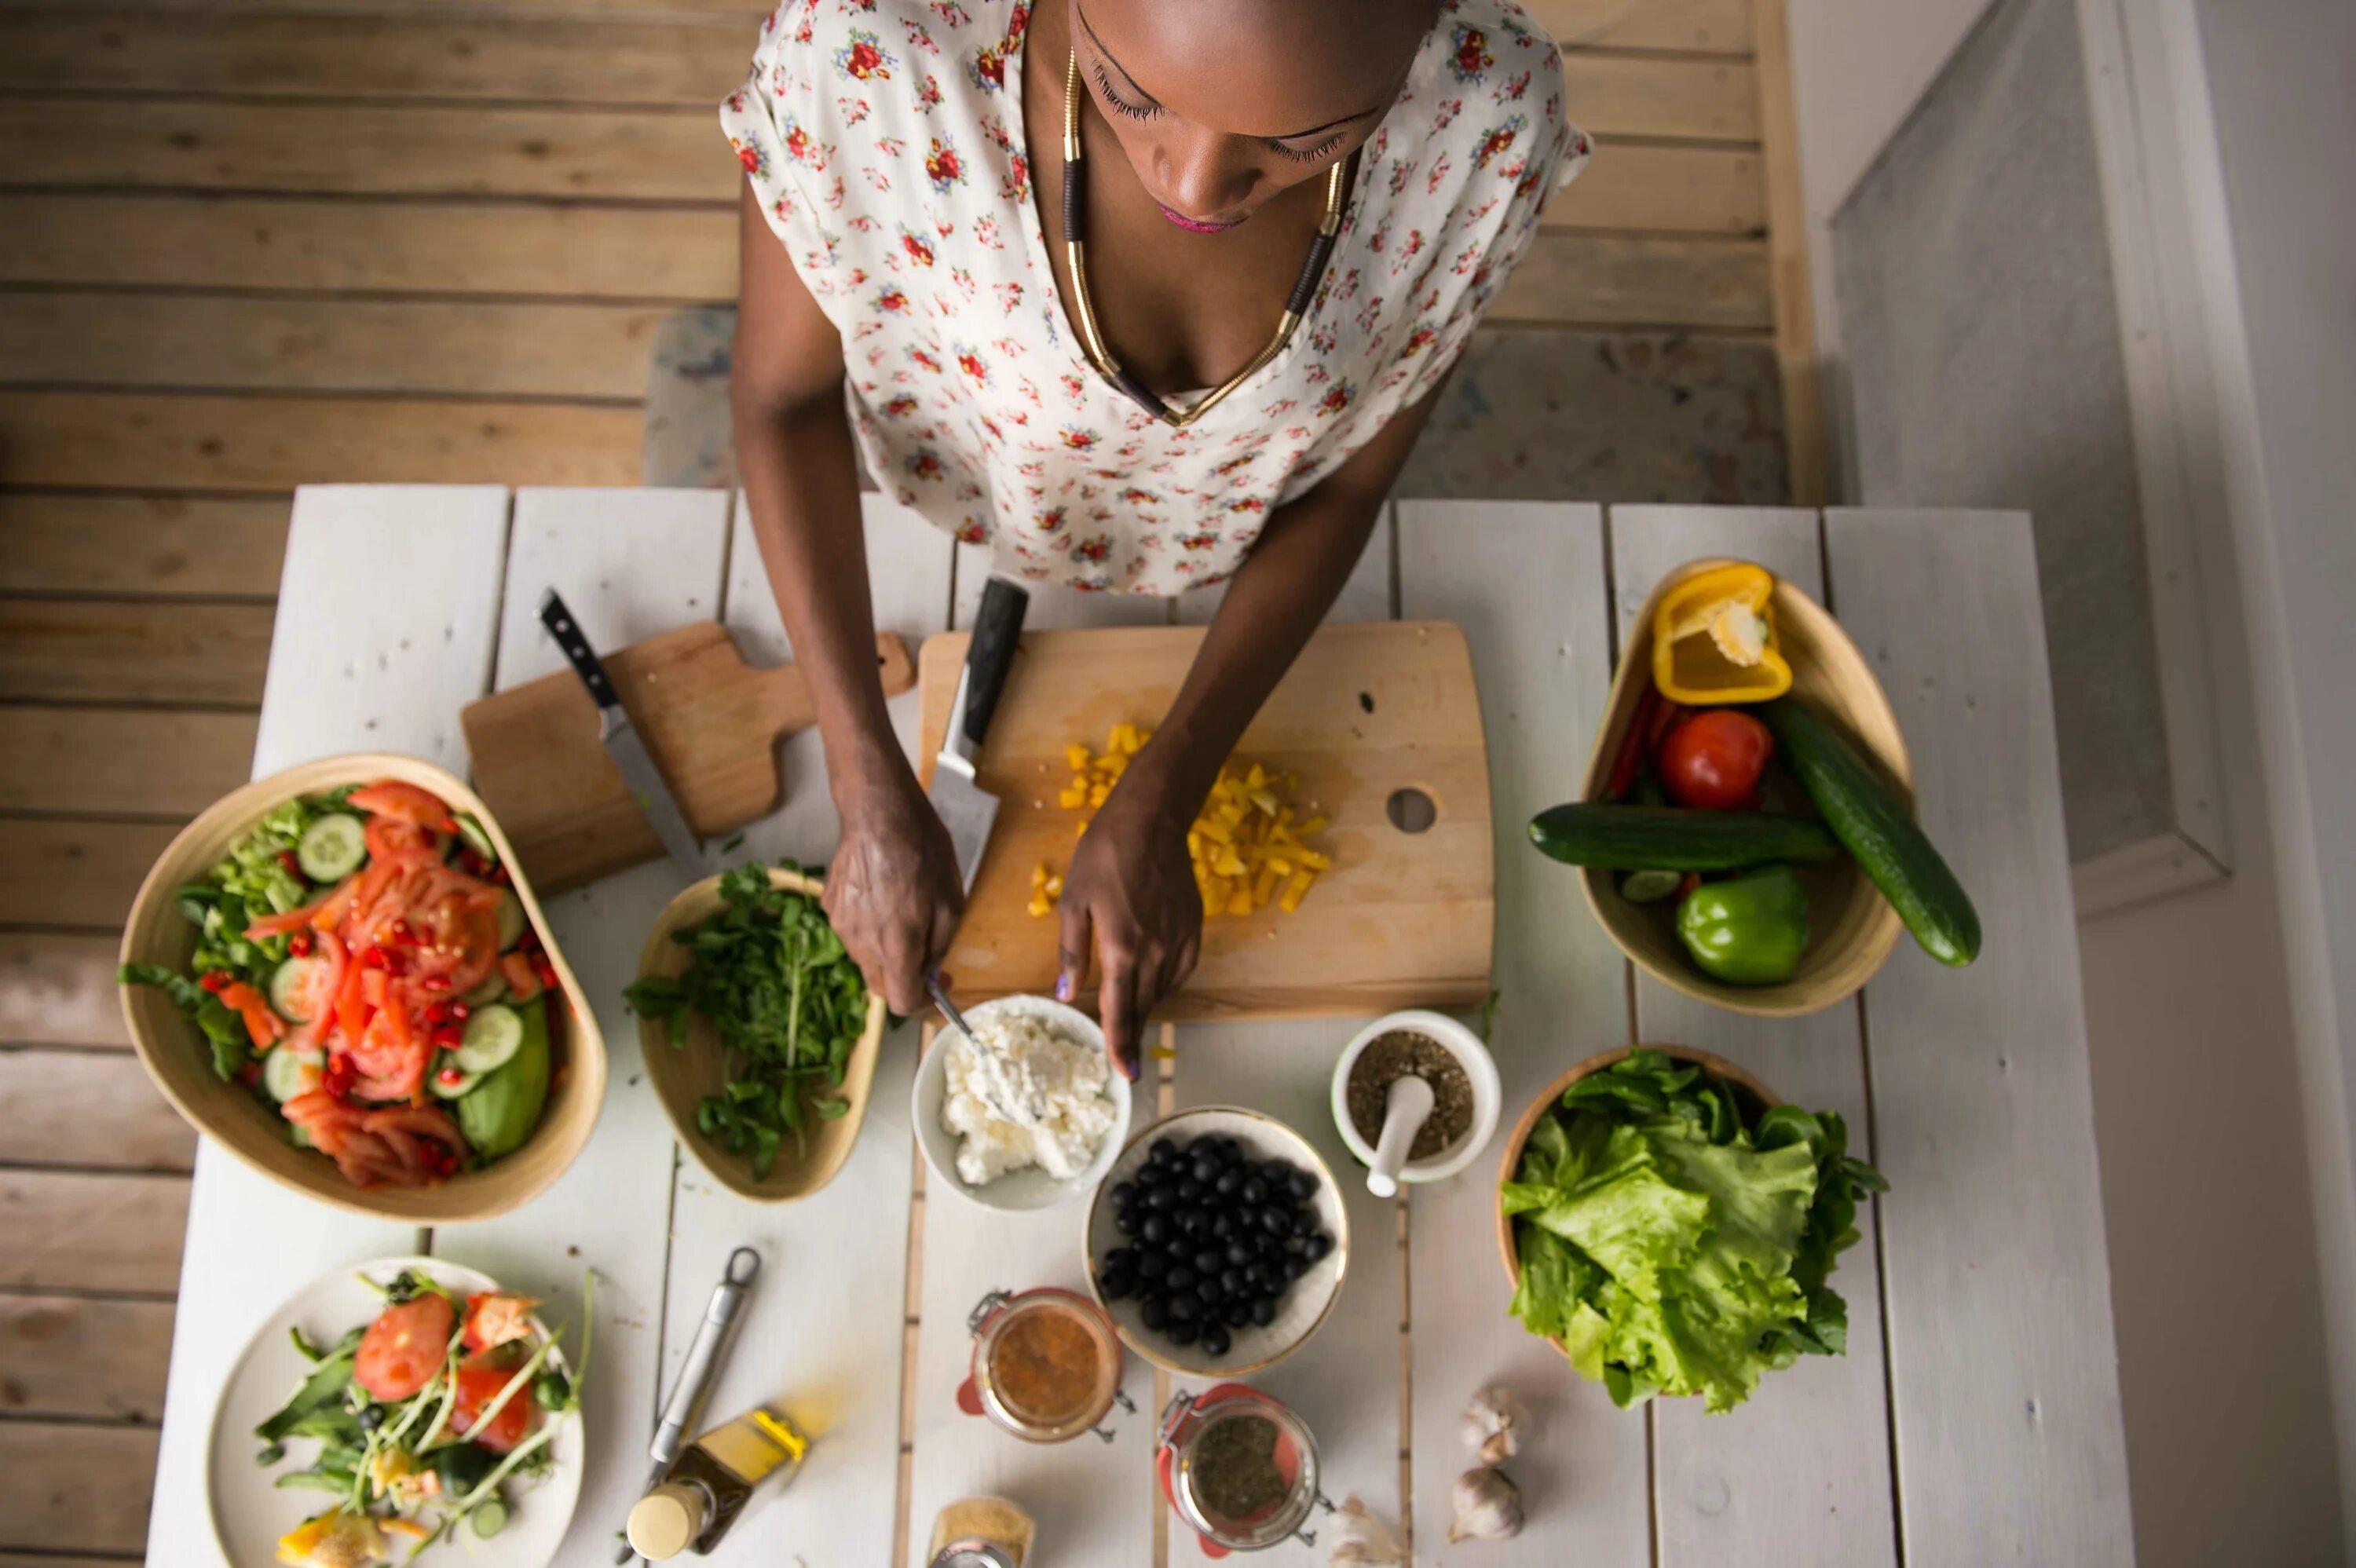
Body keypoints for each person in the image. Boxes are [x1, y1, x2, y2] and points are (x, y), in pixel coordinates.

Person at [724, 0, 1586, 1080]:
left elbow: (1355, 483)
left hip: (1249, 550)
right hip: (941, 523)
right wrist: (860, 777)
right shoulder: (867, 53)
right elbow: (782, 404)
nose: (1190, 184)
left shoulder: (1486, 118)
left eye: (1304, 140)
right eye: (1132, 95)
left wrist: (1169, 785)